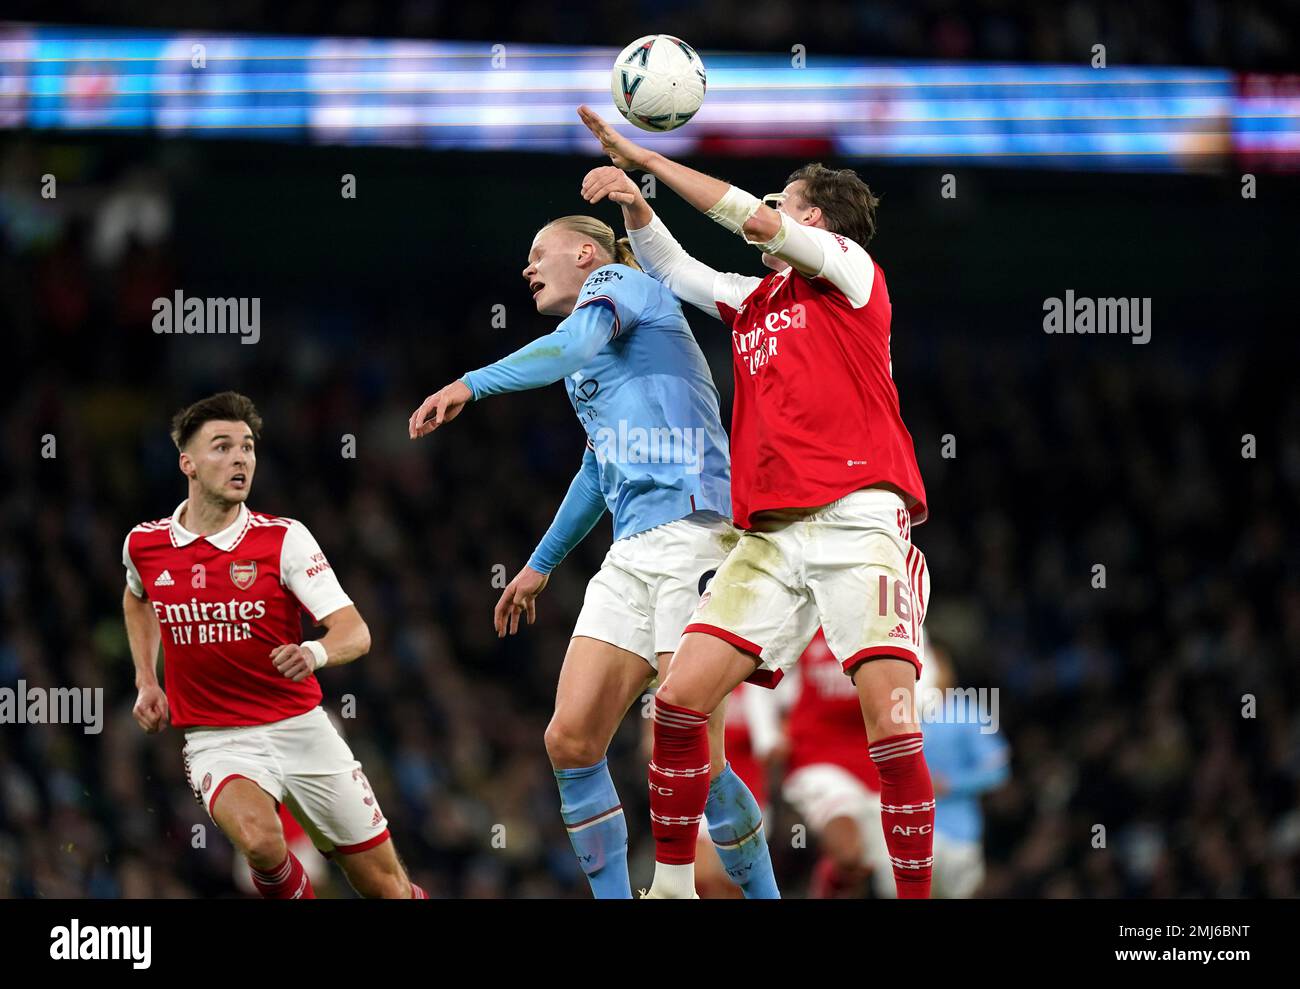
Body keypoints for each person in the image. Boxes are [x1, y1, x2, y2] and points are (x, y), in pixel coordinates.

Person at [578, 105, 934, 899]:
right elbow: (674, 270)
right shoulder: (757, 300)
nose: (773, 209)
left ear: (812, 217)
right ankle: (672, 885)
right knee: (678, 701)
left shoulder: (849, 271)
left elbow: (748, 215)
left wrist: (649, 158)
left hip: (858, 521)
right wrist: (638, 206)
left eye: (786, 199)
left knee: (894, 727)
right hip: (771, 534)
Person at [407, 215, 778, 899]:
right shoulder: (598, 361)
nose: (527, 269)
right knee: (571, 740)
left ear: (585, 254)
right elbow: (595, 470)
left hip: (696, 531)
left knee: (699, 749)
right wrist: (540, 563)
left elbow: (569, 344)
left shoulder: (620, 285)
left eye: (536, 252)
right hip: (631, 551)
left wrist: (471, 382)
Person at [123, 391, 425, 898]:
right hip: (217, 740)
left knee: (387, 888)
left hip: (302, 730)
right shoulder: (144, 545)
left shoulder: (284, 540)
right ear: (188, 463)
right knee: (262, 844)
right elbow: (138, 598)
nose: (240, 458)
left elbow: (356, 631)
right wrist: (146, 680)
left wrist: (314, 652)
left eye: (247, 447)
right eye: (222, 447)